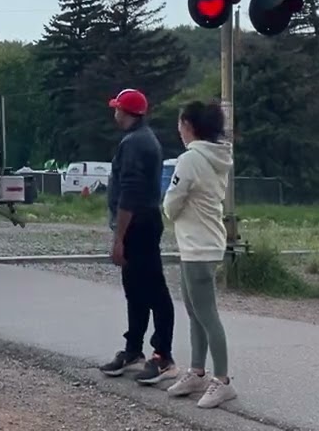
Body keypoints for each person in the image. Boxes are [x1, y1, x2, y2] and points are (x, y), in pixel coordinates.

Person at [98, 88, 177, 386]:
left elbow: (129, 193)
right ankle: (134, 349)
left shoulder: (135, 143)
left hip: (139, 225)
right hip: (142, 223)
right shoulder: (142, 139)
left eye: (117, 108)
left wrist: (119, 238)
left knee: (154, 289)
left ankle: (163, 354)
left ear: (126, 112)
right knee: (135, 290)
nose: (114, 112)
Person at [161, 100, 237, 409]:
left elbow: (172, 202)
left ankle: (222, 380)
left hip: (199, 246)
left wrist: (170, 208)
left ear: (189, 126)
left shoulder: (190, 159)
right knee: (194, 312)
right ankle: (197, 371)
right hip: (200, 243)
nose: (178, 130)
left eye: (180, 124)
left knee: (207, 314)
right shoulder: (217, 156)